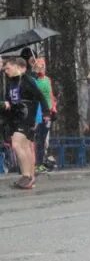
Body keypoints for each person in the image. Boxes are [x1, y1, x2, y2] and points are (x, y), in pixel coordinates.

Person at [3, 57, 46, 189]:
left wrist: (46, 113)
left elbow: (40, 96)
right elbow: (10, 99)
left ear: (16, 67)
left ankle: (27, 175)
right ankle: (28, 176)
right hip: (16, 117)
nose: (6, 71)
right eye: (4, 69)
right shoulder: (11, 82)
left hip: (27, 116)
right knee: (25, 146)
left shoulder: (27, 80)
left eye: (8, 68)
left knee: (16, 144)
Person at [31, 58, 56, 174]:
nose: (42, 68)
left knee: (44, 139)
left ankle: (41, 162)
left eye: (43, 66)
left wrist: (53, 108)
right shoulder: (34, 80)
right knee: (39, 139)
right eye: (39, 66)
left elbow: (50, 95)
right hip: (38, 112)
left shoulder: (47, 79)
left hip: (48, 112)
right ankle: (38, 163)